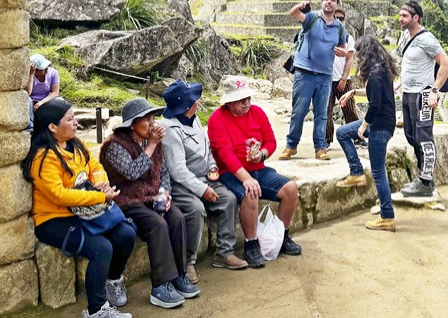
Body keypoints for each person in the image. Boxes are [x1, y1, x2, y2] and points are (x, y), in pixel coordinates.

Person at [21, 100, 134, 318]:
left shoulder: (76, 144)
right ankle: (96, 310)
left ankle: (112, 280)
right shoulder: (43, 158)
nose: (76, 123)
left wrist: (100, 181)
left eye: (75, 117)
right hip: (54, 219)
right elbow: (59, 195)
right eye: (70, 119)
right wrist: (100, 196)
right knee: (101, 248)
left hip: (83, 213)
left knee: (126, 234)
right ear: (52, 127)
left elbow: (94, 166)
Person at [100, 98, 200, 309]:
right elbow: (132, 172)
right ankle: (160, 286)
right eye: (146, 120)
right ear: (132, 124)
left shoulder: (152, 142)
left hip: (152, 197)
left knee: (176, 217)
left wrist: (165, 193)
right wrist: (152, 144)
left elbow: (163, 173)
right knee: (157, 224)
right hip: (127, 200)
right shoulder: (114, 145)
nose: (152, 124)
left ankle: (179, 275)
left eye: (152, 118)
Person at [209, 76, 302, 267]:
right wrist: (245, 178)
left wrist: (262, 154)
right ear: (229, 101)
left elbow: (271, 141)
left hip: (258, 168)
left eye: (248, 97)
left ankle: (283, 235)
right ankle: (251, 243)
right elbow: (225, 154)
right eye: (241, 99)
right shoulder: (217, 120)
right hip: (231, 172)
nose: (247, 102)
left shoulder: (257, 113)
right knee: (250, 192)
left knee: (290, 188)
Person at [160, 81, 248, 283]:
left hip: (205, 178)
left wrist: (212, 167)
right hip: (182, 185)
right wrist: (203, 189)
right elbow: (177, 171)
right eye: (194, 99)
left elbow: (207, 148)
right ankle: (187, 262)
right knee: (195, 209)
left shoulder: (194, 118)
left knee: (228, 198)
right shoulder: (170, 129)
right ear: (187, 106)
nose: (197, 101)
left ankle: (224, 253)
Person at [335, 36, 398, 231]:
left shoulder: (376, 73)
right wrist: (353, 92)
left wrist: (363, 126)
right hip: (384, 124)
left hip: (379, 126)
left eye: (360, 53)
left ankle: (387, 217)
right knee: (343, 133)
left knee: (379, 172)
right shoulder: (381, 70)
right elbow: (374, 92)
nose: (358, 57)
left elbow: (375, 104)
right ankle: (356, 172)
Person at [279, 0, 348, 161]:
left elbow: (344, 49)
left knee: (322, 113)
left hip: (325, 75)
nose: (329, 2)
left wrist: (342, 52)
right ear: (322, 2)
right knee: (299, 111)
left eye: (332, 0)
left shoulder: (339, 27)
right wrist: (300, 5)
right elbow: (293, 13)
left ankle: (320, 147)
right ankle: (291, 146)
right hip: (305, 73)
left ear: (337, 5)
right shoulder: (312, 17)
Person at [394, 1, 448, 197]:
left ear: (415, 18)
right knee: (411, 136)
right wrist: (399, 83)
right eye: (400, 15)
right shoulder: (404, 37)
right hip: (408, 93)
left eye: (404, 16)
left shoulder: (427, 39)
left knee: (424, 137)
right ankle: (423, 177)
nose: (400, 19)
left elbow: (445, 64)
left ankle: (426, 181)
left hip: (424, 93)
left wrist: (435, 90)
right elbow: (407, 64)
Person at [325, 8, 363, 147]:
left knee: (349, 109)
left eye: (341, 18)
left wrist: (343, 78)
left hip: (343, 79)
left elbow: (349, 60)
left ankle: (357, 137)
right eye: (336, 18)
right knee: (326, 111)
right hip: (326, 80)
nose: (338, 20)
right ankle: (325, 140)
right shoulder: (324, 36)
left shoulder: (348, 38)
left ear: (345, 21)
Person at [26, 53, 60, 131]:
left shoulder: (53, 73)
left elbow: (55, 92)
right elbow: (28, 93)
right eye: (43, 69)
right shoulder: (29, 75)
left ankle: (58, 125)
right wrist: (31, 75)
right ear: (35, 70)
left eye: (47, 67)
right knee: (28, 100)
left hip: (46, 100)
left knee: (59, 101)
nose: (46, 70)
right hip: (32, 102)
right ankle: (31, 128)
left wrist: (41, 102)